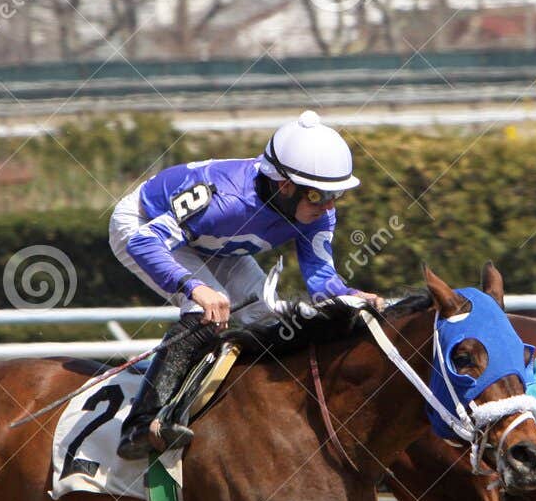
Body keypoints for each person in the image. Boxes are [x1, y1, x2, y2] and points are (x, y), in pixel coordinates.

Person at [108, 110, 377, 458]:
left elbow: (321, 279)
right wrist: (194, 287)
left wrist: (351, 297)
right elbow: (145, 243)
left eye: (335, 194)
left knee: (270, 320)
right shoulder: (227, 201)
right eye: (317, 196)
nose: (327, 206)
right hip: (144, 227)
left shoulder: (316, 212)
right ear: (285, 186)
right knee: (206, 308)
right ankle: (141, 425)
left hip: (214, 242)